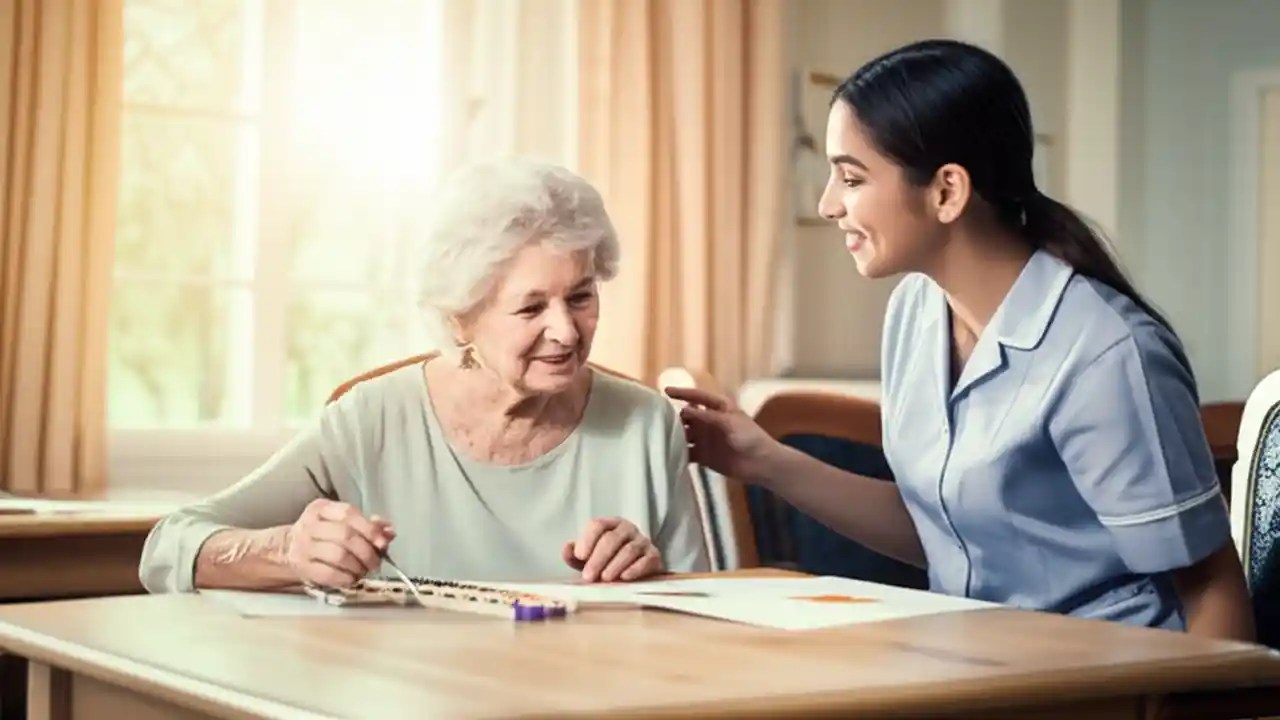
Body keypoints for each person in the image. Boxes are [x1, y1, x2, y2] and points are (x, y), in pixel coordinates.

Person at [668, 39, 1255, 639]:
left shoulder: (1106, 353)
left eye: (851, 177)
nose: (828, 204)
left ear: (947, 191)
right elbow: (948, 532)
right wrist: (763, 460)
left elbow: (1212, 589)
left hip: (1113, 673)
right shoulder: (914, 311)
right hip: (975, 659)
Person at [140, 160, 709, 592]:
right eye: (531, 307)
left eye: (581, 297)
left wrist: (652, 579)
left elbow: (707, 613)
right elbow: (167, 547)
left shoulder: (643, 423)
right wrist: (288, 550)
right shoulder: (373, 421)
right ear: (460, 318)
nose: (565, 331)